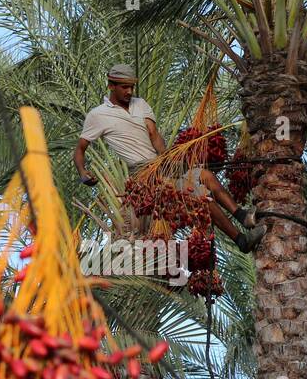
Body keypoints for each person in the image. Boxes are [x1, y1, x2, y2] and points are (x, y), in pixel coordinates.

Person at [73, 64, 266, 252]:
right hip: (142, 174)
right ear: (111, 85)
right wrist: (83, 173)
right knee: (199, 196)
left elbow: (154, 135)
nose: (130, 91)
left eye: (132, 86)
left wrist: (169, 158)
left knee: (206, 175)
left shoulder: (140, 104)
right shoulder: (97, 116)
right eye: (124, 87)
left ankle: (243, 216)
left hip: (161, 164)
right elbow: (80, 149)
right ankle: (241, 240)